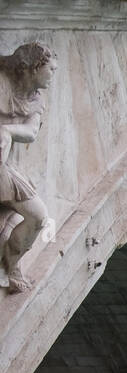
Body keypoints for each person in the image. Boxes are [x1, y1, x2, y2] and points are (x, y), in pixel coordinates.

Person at [0, 42, 57, 294]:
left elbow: (32, 131)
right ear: (34, 68)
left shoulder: (36, 100)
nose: (52, 74)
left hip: (5, 167)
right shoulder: (2, 85)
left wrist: (7, 130)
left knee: (38, 216)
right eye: (50, 69)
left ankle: (9, 265)